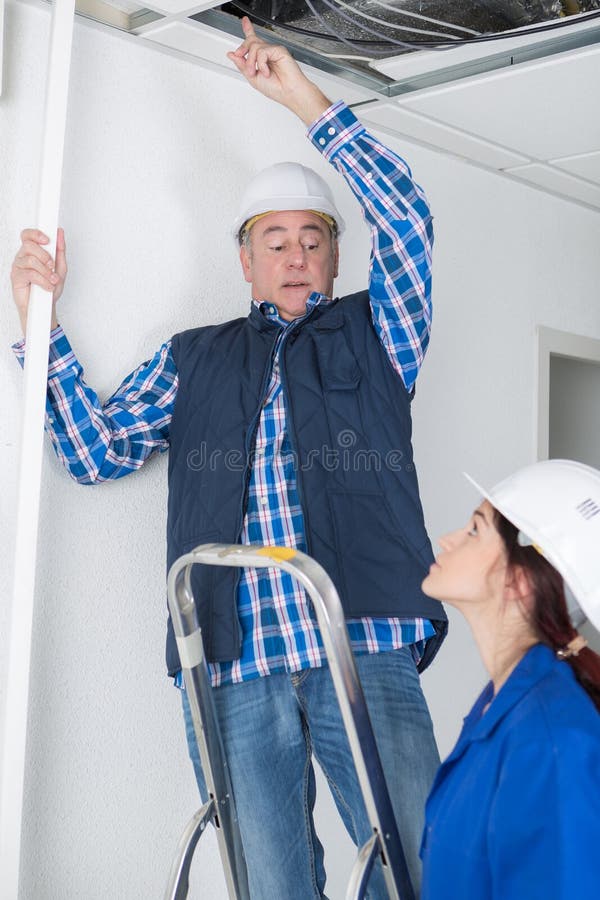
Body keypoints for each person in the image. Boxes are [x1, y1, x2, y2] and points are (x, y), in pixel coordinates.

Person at [11, 17, 447, 899]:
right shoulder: (194, 358)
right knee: (270, 886)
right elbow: (94, 453)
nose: (296, 257)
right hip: (233, 663)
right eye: (274, 242)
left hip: (362, 642)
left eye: (313, 239)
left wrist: (305, 101)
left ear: (336, 256)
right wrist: (38, 322)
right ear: (245, 260)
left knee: (419, 871)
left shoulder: (380, 336)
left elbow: (408, 219)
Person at [420, 459, 600, 899]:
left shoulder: (552, 740)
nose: (447, 540)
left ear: (519, 582)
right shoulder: (499, 707)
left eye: (474, 530)